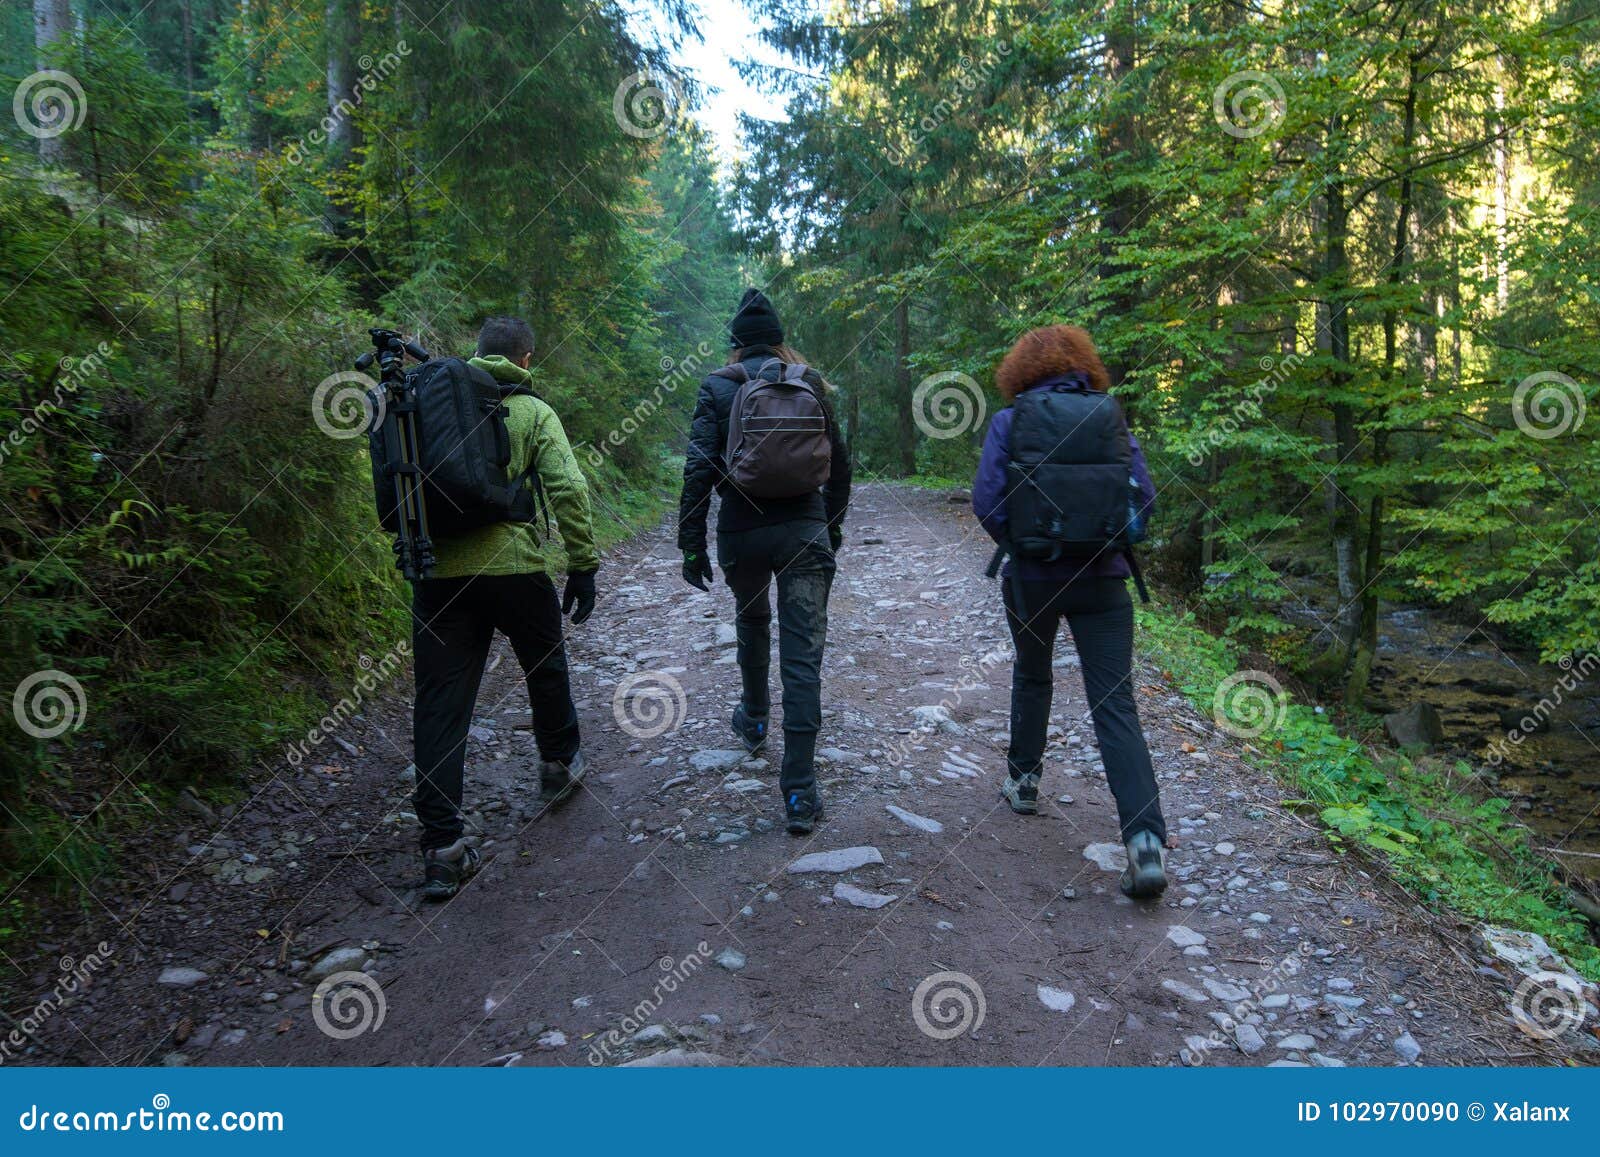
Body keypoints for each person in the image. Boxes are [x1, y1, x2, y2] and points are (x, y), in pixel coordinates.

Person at [971, 324, 1168, 898]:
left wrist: (1025, 544)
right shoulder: (1110, 417)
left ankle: (1024, 782)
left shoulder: (1012, 420)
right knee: (1114, 704)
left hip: (1033, 580)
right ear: (1085, 365)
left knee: (1033, 674)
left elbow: (987, 500)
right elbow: (1143, 498)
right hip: (1104, 580)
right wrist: (1105, 541)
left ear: (1020, 370)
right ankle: (1144, 843)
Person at [411, 316, 599, 900]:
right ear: (525, 359)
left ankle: (442, 849)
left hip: (439, 575)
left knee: (440, 704)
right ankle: (558, 764)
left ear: (475, 354)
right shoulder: (533, 411)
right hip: (516, 568)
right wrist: (583, 564)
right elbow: (568, 487)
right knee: (544, 665)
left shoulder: (431, 410)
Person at [677, 289, 851, 834]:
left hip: (742, 533)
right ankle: (799, 791)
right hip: (804, 532)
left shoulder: (717, 386)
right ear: (779, 341)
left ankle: (753, 719)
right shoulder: (809, 382)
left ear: (735, 344)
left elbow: (698, 467)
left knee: (752, 619)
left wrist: (691, 543)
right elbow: (841, 463)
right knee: (803, 658)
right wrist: (831, 525)